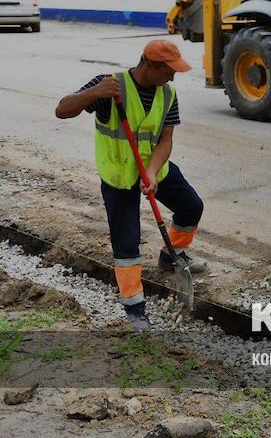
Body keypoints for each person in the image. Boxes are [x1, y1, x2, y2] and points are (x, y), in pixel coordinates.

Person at [55, 40, 206, 331]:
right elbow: (62, 110)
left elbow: (165, 139)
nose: (173, 77)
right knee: (127, 242)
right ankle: (135, 308)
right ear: (149, 65)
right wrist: (94, 92)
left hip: (152, 168)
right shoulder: (111, 86)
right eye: (169, 71)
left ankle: (171, 254)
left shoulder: (168, 93)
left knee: (191, 206)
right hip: (119, 175)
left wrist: (151, 172)